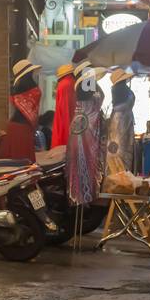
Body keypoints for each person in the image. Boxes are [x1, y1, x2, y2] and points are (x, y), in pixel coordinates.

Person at [66, 61, 105, 204]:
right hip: (84, 129)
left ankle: (85, 201)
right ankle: (80, 200)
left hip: (90, 129)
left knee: (90, 166)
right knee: (83, 165)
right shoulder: (84, 86)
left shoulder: (90, 85)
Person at [4, 59, 42, 161]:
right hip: (22, 129)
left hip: (16, 126)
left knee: (17, 162)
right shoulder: (30, 86)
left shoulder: (19, 87)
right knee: (23, 163)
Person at [51, 62, 76, 150]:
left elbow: (64, 111)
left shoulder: (64, 85)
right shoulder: (73, 83)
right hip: (74, 124)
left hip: (64, 126)